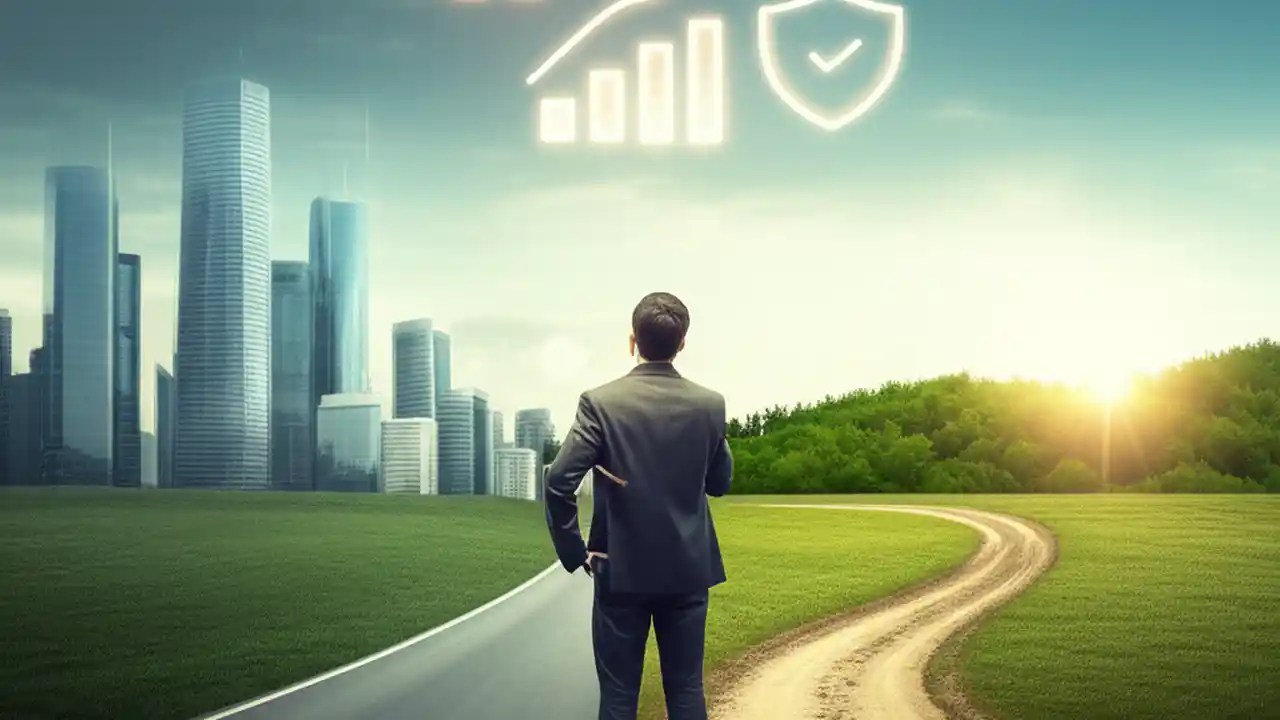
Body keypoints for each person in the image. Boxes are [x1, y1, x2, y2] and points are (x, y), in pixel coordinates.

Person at [544, 291, 733, 720]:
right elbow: (720, 483)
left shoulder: (600, 403)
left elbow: (559, 481)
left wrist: (574, 552)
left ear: (632, 341)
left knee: (618, 696)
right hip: (687, 572)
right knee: (686, 691)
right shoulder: (710, 405)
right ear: (682, 343)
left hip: (619, 573)